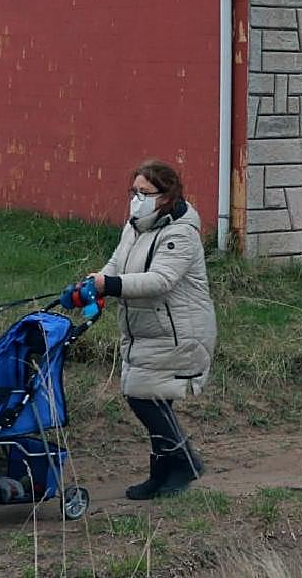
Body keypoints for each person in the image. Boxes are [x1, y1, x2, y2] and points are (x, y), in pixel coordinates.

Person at [79, 159, 217, 499]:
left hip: (179, 329)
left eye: (145, 192)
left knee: (144, 396)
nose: (137, 199)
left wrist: (110, 285)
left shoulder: (181, 233)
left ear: (166, 196)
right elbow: (116, 263)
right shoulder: (136, 226)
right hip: (148, 328)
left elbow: (161, 280)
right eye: (134, 191)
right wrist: (96, 281)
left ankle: (184, 463)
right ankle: (162, 473)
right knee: (152, 396)